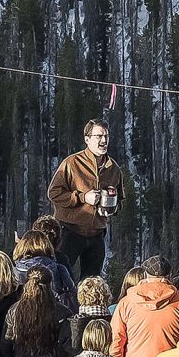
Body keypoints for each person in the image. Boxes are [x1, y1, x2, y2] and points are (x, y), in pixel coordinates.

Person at [45, 118, 124, 281]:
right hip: (69, 231)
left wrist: (112, 207)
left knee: (92, 283)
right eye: (99, 136)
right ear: (87, 139)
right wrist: (82, 197)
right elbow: (53, 193)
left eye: (106, 136)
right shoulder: (72, 163)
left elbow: (121, 200)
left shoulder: (114, 169)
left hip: (97, 234)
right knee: (60, 278)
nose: (104, 140)